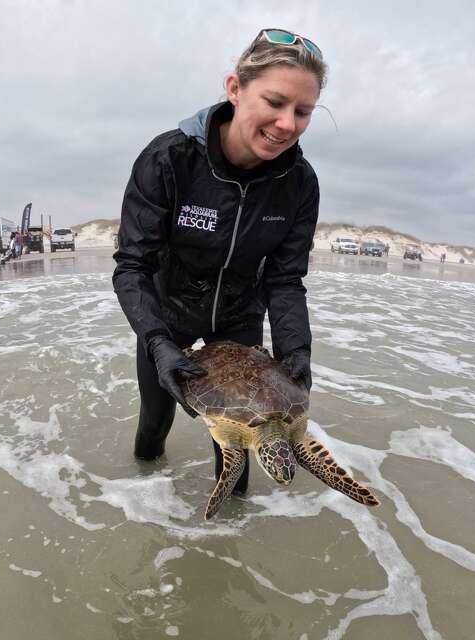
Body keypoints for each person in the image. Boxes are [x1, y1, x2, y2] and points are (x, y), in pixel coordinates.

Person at [113, 28, 324, 494]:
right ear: (235, 89)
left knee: (240, 449)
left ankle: (233, 530)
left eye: (303, 111)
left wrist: (297, 349)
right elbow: (132, 266)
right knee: (153, 423)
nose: (286, 124)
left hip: (239, 316)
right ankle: (141, 504)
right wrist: (157, 342)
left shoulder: (299, 183)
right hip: (168, 313)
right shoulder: (169, 159)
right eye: (275, 102)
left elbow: (285, 279)